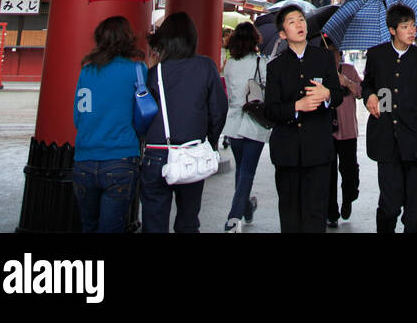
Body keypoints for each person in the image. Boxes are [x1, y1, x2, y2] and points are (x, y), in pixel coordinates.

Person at [362, 3, 417, 234]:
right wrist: (369, 96)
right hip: (386, 141)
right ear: (392, 30)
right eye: (405, 26)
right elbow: (368, 84)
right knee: (390, 206)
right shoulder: (376, 55)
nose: (412, 30)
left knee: (416, 212)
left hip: (416, 143)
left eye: (413, 25)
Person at [141, 12, 228, 234]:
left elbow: (141, 114)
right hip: (191, 150)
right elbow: (218, 110)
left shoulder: (152, 73)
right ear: (192, 38)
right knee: (188, 222)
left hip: (155, 153)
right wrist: (210, 139)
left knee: (153, 222)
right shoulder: (206, 66)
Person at [263, 4, 342, 233]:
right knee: (289, 213)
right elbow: (271, 110)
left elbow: (338, 95)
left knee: (315, 213)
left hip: (318, 149)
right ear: (282, 33)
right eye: (292, 22)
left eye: (301, 19)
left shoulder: (325, 58)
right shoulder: (276, 67)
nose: (299, 25)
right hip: (286, 151)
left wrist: (327, 94)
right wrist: (296, 106)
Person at [72, 15, 147, 234]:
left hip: (84, 159)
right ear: (128, 39)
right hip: (121, 157)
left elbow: (78, 116)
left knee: (88, 226)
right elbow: (142, 113)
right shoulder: (137, 70)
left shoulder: (86, 71)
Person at [222, 20, 271, 231]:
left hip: (234, 123)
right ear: (254, 40)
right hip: (254, 122)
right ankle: (234, 218)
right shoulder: (261, 62)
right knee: (247, 172)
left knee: (241, 171)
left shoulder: (230, 64)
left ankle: (247, 208)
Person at [323, 36, 362, 227]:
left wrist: (346, 82)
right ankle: (331, 212)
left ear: (340, 54)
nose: (332, 57)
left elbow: (361, 92)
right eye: (327, 53)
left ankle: (349, 198)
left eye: (334, 53)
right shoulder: (320, 73)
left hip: (347, 131)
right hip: (326, 132)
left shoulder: (349, 70)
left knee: (349, 171)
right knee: (328, 174)